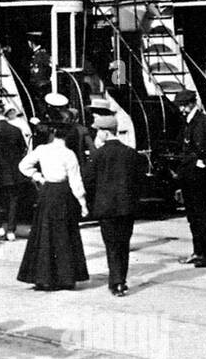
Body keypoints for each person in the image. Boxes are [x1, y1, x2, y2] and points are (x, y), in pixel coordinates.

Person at [17, 122, 89, 290]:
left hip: (47, 191)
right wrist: (83, 204)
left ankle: (42, 277)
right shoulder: (69, 154)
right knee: (63, 234)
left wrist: (38, 176)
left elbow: (23, 166)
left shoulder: (42, 149)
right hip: (63, 194)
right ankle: (65, 277)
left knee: (44, 234)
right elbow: (75, 181)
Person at [86, 115, 149, 295]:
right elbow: (140, 179)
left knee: (111, 245)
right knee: (123, 244)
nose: (97, 134)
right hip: (126, 207)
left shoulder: (98, 154)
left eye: (98, 131)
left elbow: (88, 179)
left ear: (105, 133)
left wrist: (92, 201)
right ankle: (121, 279)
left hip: (106, 208)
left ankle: (116, 282)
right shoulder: (130, 153)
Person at [174, 89, 206, 267]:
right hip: (189, 176)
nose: (181, 110)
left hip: (198, 177)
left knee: (201, 215)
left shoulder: (203, 121)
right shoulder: (190, 122)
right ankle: (198, 251)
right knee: (193, 216)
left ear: (191, 104)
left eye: (183, 106)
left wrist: (204, 162)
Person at [0, 100, 27, 241]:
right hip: (13, 172)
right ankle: (11, 230)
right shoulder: (15, 130)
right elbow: (23, 149)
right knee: (13, 201)